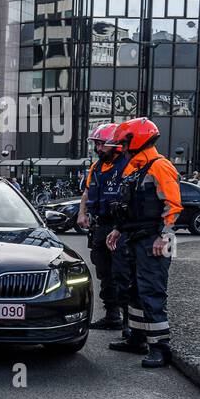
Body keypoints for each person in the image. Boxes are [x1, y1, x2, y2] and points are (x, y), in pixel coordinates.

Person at [105, 118, 182, 369]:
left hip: (155, 240)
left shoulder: (160, 166)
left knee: (152, 291)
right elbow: (130, 208)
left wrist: (165, 236)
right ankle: (137, 338)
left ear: (136, 139)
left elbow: (174, 205)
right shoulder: (137, 168)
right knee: (134, 291)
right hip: (136, 237)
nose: (122, 147)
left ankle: (160, 347)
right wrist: (118, 230)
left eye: (124, 142)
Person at [76, 123, 128, 331]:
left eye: (101, 145)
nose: (98, 149)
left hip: (120, 226)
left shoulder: (128, 165)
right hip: (101, 226)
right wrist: (82, 213)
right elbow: (87, 193)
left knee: (122, 273)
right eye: (97, 145)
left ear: (114, 144)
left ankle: (129, 323)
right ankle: (112, 315)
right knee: (104, 273)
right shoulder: (96, 167)